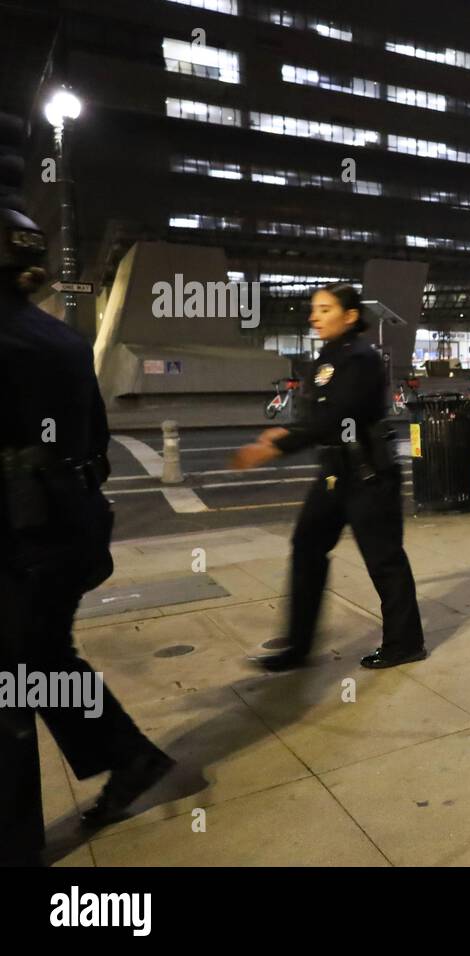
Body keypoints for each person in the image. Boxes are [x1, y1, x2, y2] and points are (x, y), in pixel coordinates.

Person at [0, 114, 175, 861]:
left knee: (17, 677)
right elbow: (95, 443)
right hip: (65, 526)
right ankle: (129, 755)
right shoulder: (64, 339)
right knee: (39, 660)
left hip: (25, 537)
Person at [232, 284, 426, 670]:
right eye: (314, 309)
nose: (313, 317)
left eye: (323, 309)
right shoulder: (330, 355)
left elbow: (338, 418)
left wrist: (280, 444)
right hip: (335, 472)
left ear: (350, 316)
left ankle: (405, 643)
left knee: (384, 560)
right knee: (306, 548)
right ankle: (298, 647)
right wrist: (287, 433)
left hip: (368, 474)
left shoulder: (362, 359)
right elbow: (320, 414)